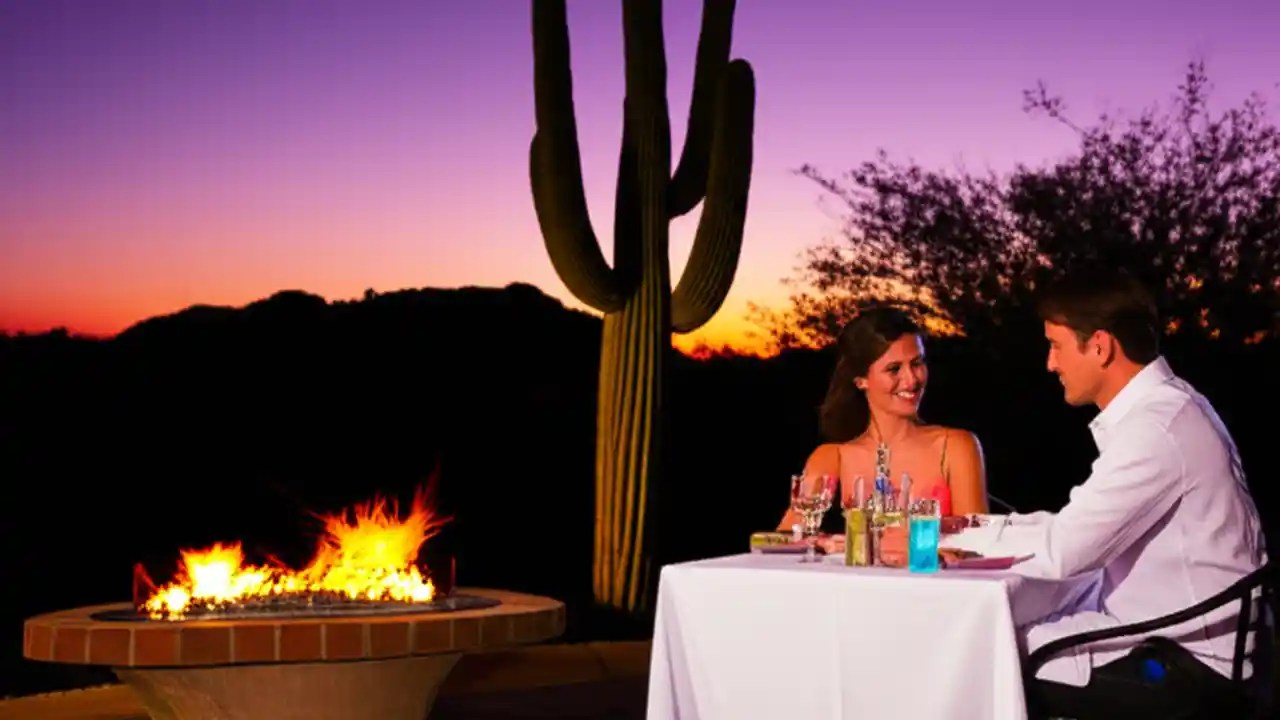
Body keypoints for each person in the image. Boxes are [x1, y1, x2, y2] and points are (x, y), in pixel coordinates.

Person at [984, 269, 1267, 717]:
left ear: (1100, 345)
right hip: (1184, 634)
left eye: (1055, 346)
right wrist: (971, 529)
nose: (1050, 364)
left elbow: (1064, 552)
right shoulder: (1172, 407)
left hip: (1187, 662)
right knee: (1010, 631)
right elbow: (1074, 526)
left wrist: (947, 544)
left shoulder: (1154, 428)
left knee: (985, 651)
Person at [776, 306, 989, 540]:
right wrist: (824, 543)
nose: (911, 380)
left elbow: (979, 542)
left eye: (917, 363)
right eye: (894, 369)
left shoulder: (956, 447)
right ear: (861, 381)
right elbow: (786, 541)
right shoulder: (832, 457)